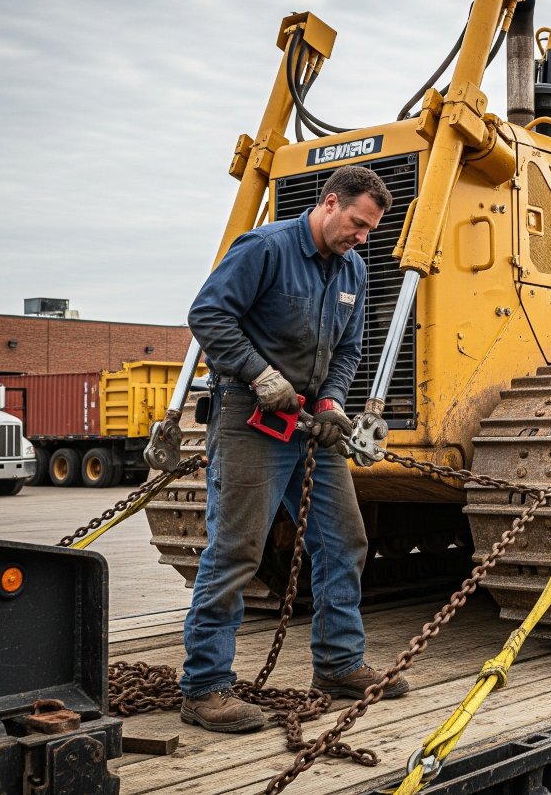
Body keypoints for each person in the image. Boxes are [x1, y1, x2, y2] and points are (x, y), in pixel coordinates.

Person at [178, 165, 407, 733]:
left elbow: (351, 349)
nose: (362, 237)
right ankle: (204, 688)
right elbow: (207, 314)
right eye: (356, 223)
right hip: (250, 417)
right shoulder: (266, 248)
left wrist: (330, 402)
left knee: (344, 540)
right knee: (236, 550)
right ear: (329, 204)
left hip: (311, 426)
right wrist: (259, 374)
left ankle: (336, 664)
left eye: (370, 230)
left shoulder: (352, 267)